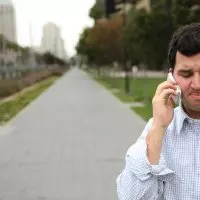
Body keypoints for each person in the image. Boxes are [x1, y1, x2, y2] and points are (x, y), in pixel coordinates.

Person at [116, 23, 200, 200]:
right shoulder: (158, 130)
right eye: (186, 74)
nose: (197, 85)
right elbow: (130, 197)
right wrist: (158, 128)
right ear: (172, 77)